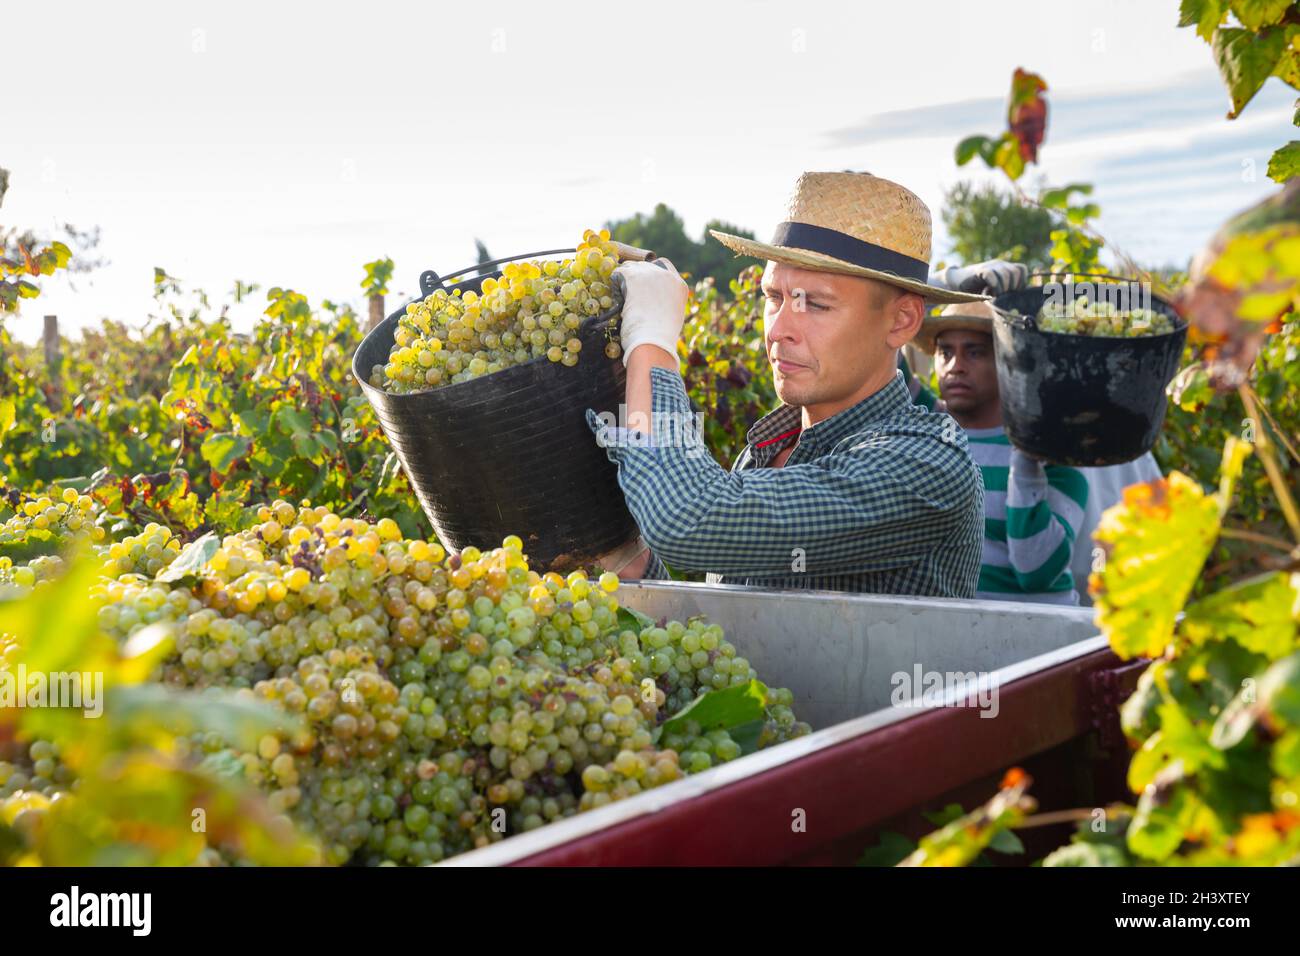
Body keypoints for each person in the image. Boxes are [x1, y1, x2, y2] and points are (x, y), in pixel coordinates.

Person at [587, 170, 1013, 599]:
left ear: (902, 320)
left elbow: (689, 521)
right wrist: (637, 566)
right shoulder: (765, 452)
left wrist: (653, 341)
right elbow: (734, 629)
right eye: (774, 298)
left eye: (817, 304)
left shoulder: (927, 464)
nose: (778, 331)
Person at [915, 300, 1088, 605]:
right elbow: (875, 340)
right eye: (946, 352)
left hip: (1039, 637)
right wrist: (941, 288)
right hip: (953, 632)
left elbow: (1036, 571)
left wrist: (1024, 458)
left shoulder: (1056, 451)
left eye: (975, 352)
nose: (956, 366)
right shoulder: (925, 424)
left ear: (1012, 362)